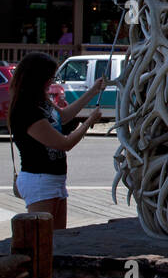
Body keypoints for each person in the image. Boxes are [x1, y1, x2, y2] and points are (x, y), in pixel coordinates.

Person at [8, 52, 105, 229]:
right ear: (38, 78)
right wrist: (89, 122)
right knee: (42, 238)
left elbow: (64, 116)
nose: (53, 82)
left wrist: (93, 91)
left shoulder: (41, 100)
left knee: (59, 239)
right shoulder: (26, 109)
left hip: (55, 179)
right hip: (39, 179)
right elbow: (64, 143)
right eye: (51, 77)